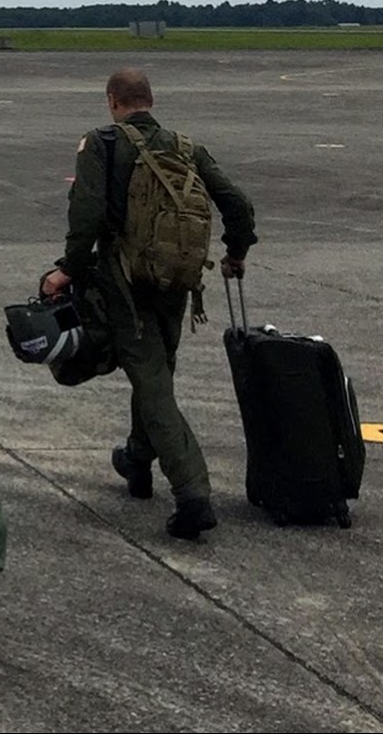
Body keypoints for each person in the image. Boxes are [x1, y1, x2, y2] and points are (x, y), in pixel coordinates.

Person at [42, 67, 256, 542]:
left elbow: (88, 215)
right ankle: (137, 460)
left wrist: (68, 270)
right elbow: (237, 204)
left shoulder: (102, 144)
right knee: (155, 369)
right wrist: (236, 252)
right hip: (175, 281)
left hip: (124, 282)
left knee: (153, 381)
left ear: (113, 101)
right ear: (151, 101)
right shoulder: (185, 147)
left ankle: (193, 493)